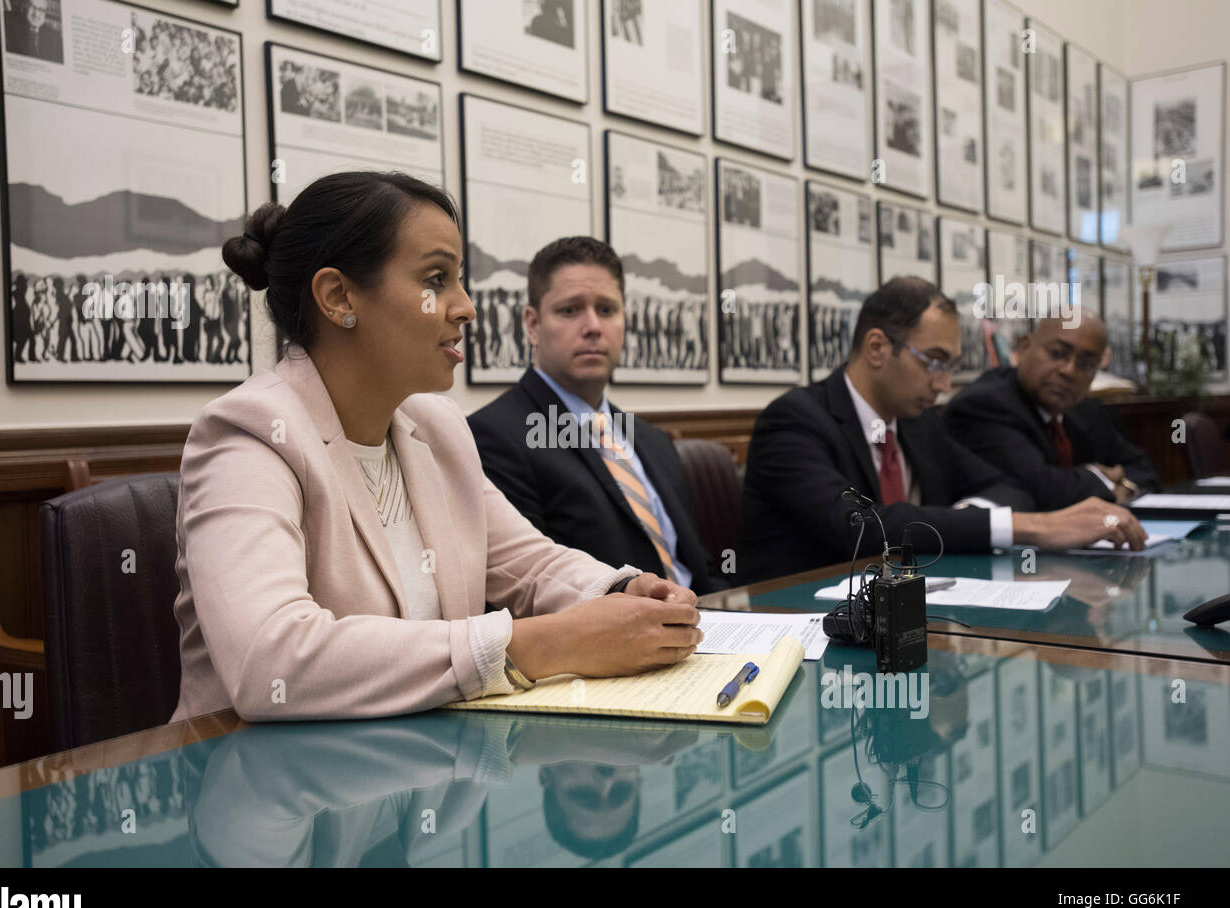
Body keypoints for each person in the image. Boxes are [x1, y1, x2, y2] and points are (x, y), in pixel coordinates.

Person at [171, 172, 701, 724]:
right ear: (337, 296)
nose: (466, 307)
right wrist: (538, 644)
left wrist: (622, 588)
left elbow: (530, 564)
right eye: (436, 279)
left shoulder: (436, 427)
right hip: (261, 788)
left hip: (414, 771)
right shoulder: (249, 432)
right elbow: (270, 662)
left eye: (460, 280)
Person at [738, 276, 1147, 581]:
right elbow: (863, 529)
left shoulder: (918, 426)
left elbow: (1008, 489)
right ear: (878, 348)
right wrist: (1036, 527)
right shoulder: (794, 421)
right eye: (933, 362)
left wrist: (954, 523)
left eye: (950, 366)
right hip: (797, 631)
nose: (944, 384)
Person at [469, 237, 725, 594]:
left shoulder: (652, 440)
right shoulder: (495, 436)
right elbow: (528, 590)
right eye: (570, 310)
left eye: (607, 310)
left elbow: (698, 568)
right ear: (532, 324)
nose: (593, 326)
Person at [944, 310, 1160, 510]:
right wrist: (1104, 480)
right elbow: (1044, 491)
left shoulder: (1084, 408)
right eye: (1057, 354)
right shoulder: (985, 404)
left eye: (1085, 364)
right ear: (1024, 348)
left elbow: (1143, 468)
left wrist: (1127, 487)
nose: (1069, 371)